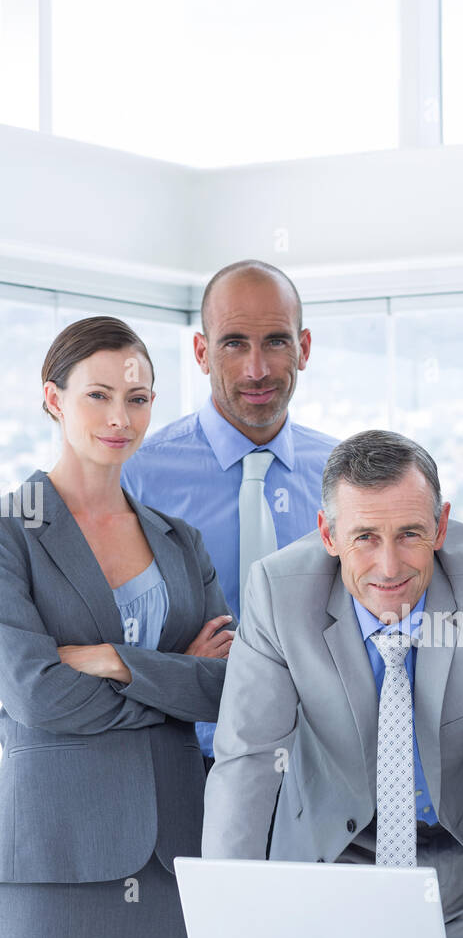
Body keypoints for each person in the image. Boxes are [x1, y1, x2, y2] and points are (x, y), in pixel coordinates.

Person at [180, 430, 463, 938]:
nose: (389, 566)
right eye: (364, 537)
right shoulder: (279, 592)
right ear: (328, 535)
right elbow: (248, 762)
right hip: (332, 855)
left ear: (440, 526)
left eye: (410, 534)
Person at [0, 317, 233, 938]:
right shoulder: (12, 533)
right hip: (55, 854)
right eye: (97, 395)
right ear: (52, 399)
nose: (118, 417)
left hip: (171, 852)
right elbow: (35, 696)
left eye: (137, 398)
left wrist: (103, 658)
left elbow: (227, 689)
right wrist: (169, 676)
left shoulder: (177, 539)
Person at [122, 259, 336, 759]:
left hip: (319, 756)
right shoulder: (137, 478)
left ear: (304, 348)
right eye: (234, 343)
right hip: (186, 754)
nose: (256, 370)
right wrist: (179, 669)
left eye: (276, 342)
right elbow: (106, 631)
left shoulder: (344, 475)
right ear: (202, 352)